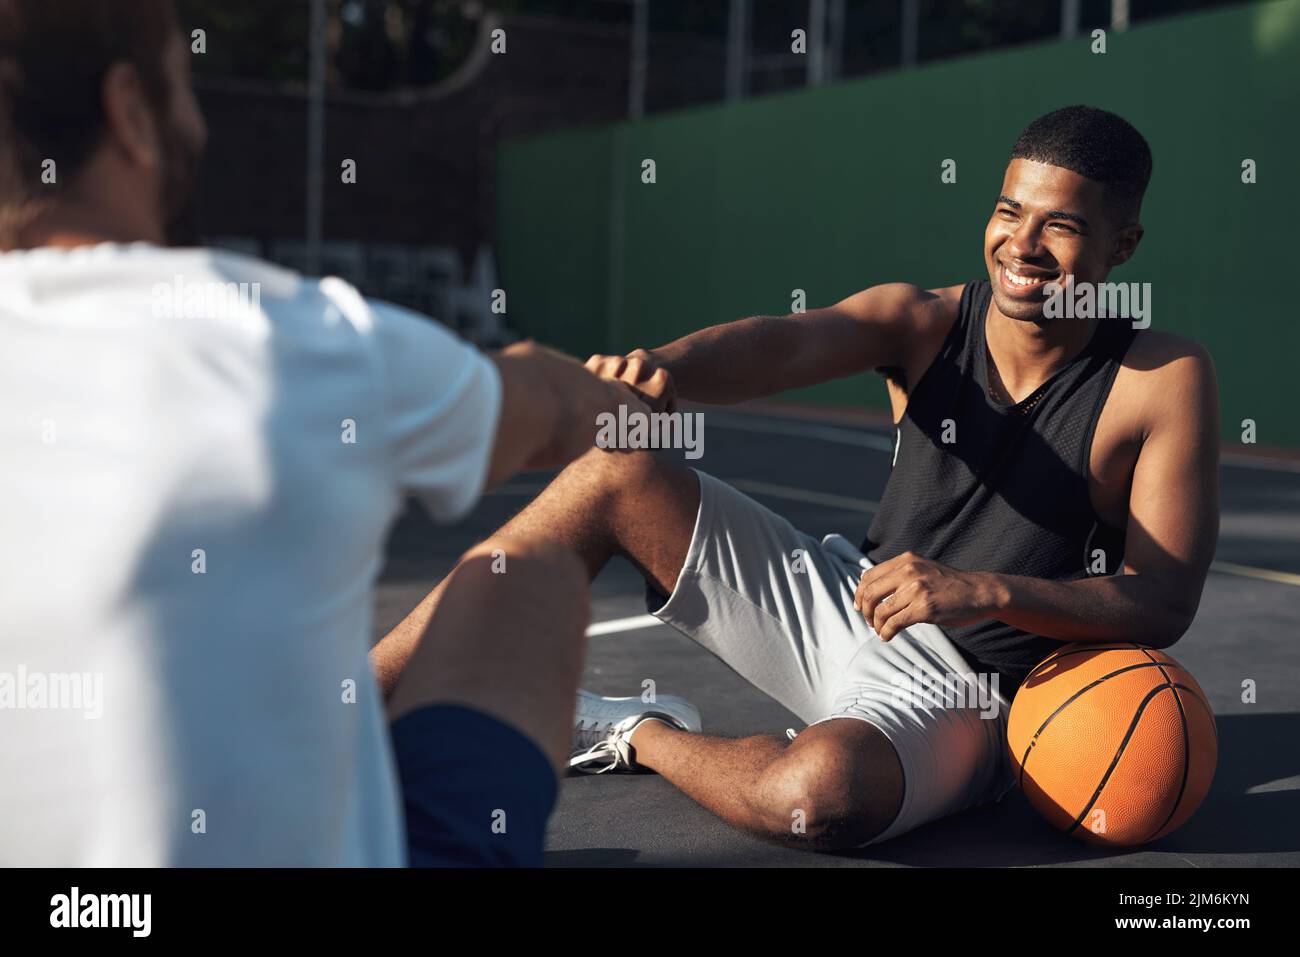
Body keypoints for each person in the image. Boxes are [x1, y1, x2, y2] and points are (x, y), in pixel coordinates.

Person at [374, 105, 1221, 850]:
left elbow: (1163, 599)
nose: (1021, 246)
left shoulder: (1163, 377)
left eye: (1060, 227)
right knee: (617, 467)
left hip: (976, 696)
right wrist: (662, 368)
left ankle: (635, 730)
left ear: (1122, 245)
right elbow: (784, 341)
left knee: (818, 796)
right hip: (848, 603)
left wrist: (982, 590)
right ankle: (359, 697)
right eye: (1008, 212)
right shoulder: (922, 321)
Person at [0, 0, 642, 866]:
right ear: (130, 113)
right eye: (182, 88)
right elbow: (549, 412)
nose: (196, 120)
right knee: (527, 581)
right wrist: (619, 397)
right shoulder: (294, 340)